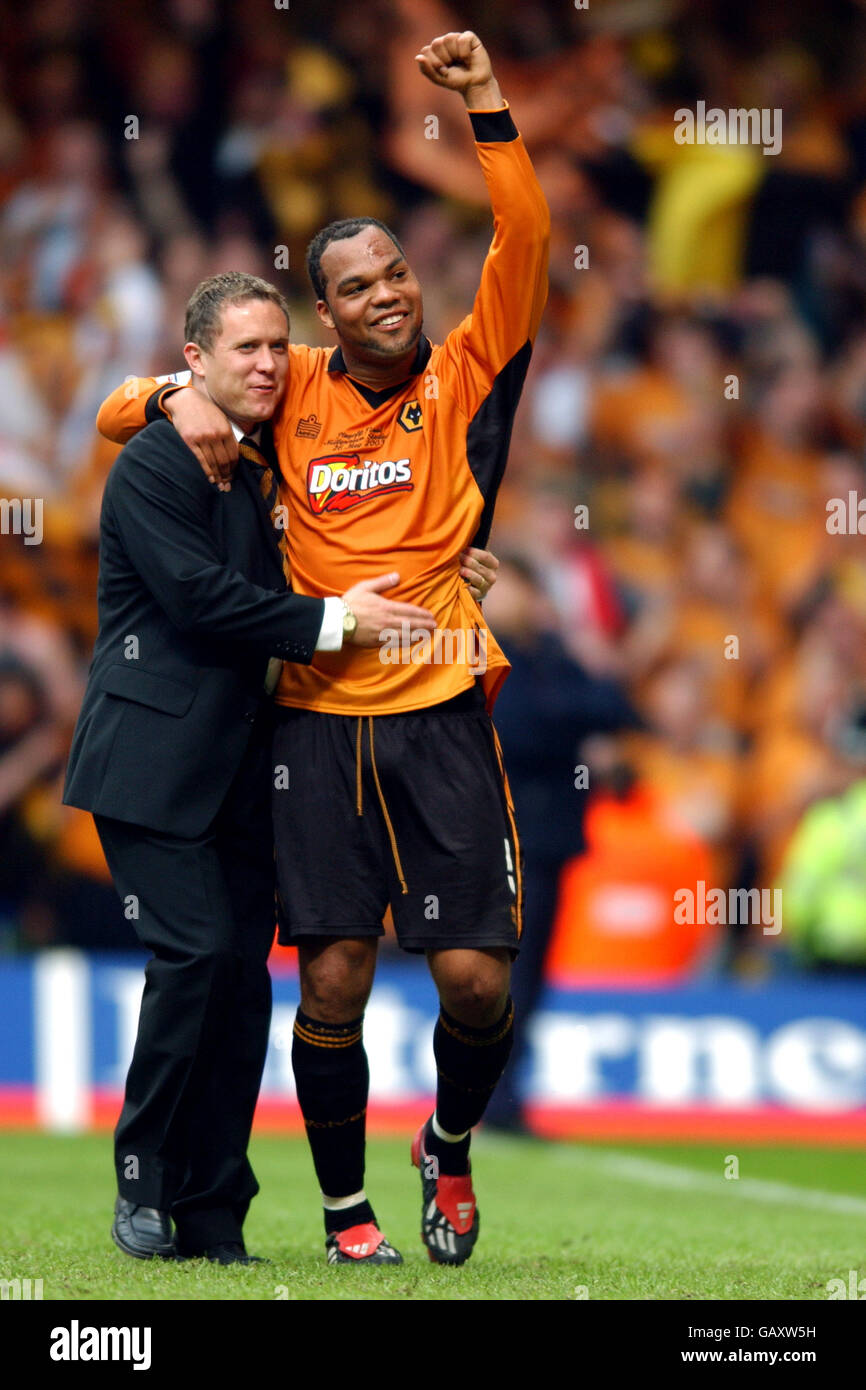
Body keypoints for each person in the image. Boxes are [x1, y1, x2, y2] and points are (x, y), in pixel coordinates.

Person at [97, 30, 549, 1267]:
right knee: (334, 979)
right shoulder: (286, 386)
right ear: (324, 310)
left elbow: (523, 241)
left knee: (472, 982)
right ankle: (345, 1213)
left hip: (444, 707)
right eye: (355, 286)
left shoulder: (466, 374)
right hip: (313, 720)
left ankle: (446, 1146)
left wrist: (485, 108)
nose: (386, 293)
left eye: (396, 271)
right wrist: (160, 397)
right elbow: (110, 409)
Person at [65, 272, 450, 1265]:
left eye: (278, 345)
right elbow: (195, 600)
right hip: (151, 763)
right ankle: (142, 1182)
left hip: (244, 769)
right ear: (193, 359)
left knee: (240, 984)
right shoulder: (159, 460)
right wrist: (335, 622)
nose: (269, 365)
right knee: (196, 956)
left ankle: (209, 1213)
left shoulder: (270, 451)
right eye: (244, 349)